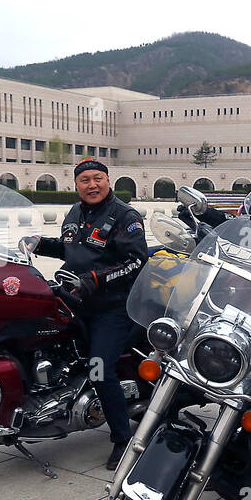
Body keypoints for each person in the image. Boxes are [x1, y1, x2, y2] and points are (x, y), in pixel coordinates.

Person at [25, 158, 149, 468]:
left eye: (98, 178)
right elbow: (71, 249)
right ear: (76, 184)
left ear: (109, 181)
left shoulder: (125, 216)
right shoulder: (75, 212)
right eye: (84, 180)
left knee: (99, 368)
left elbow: (137, 262)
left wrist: (96, 279)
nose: (91, 185)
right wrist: (39, 243)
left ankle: (123, 439)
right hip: (74, 299)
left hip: (113, 308)